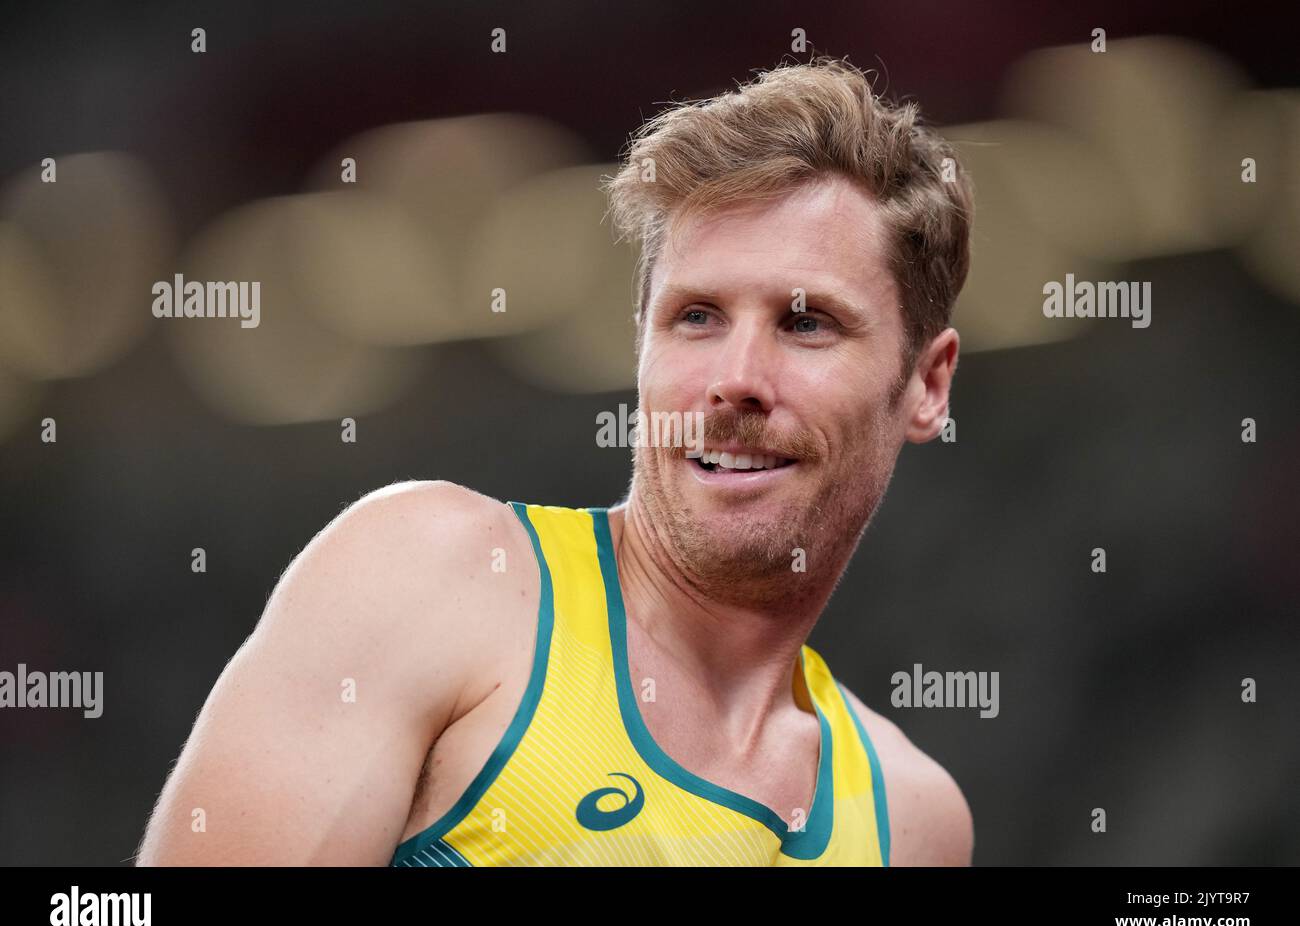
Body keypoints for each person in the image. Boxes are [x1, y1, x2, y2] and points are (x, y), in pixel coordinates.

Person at [137, 55, 975, 866]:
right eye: (696, 317)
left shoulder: (911, 821)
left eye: (805, 324)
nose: (734, 381)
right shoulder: (429, 579)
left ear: (927, 384)